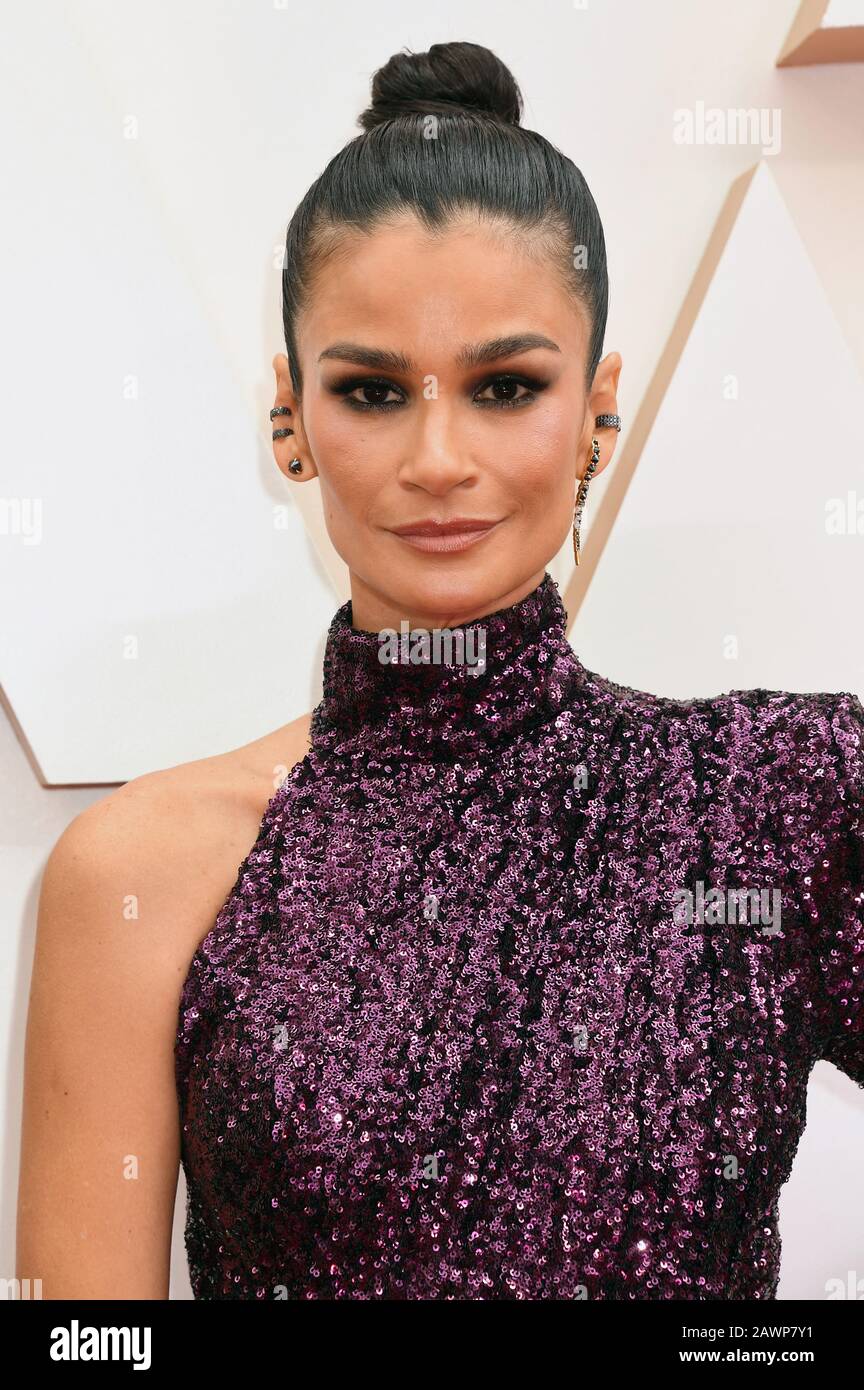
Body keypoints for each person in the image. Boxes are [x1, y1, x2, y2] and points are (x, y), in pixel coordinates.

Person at [17, 41, 863, 1301]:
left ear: (597, 412)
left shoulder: (778, 805)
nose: (438, 457)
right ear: (291, 420)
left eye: (506, 385)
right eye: (369, 391)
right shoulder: (140, 873)